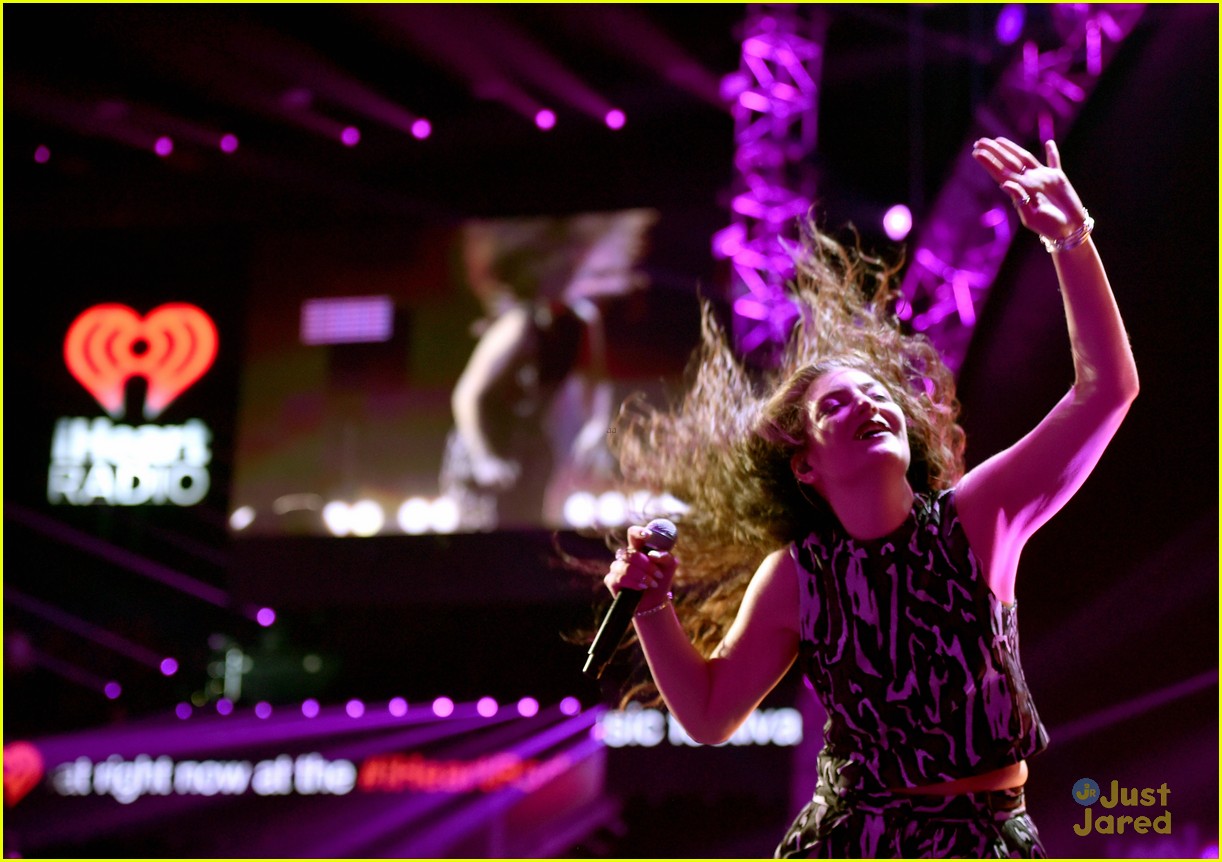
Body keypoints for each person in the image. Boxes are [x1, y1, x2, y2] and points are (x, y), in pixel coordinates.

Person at [600, 137, 1138, 858]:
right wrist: (654, 606)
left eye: (877, 394)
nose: (868, 405)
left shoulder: (976, 520)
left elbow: (1107, 390)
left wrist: (1072, 238)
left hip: (988, 842)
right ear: (806, 467)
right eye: (836, 407)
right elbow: (706, 712)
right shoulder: (802, 575)